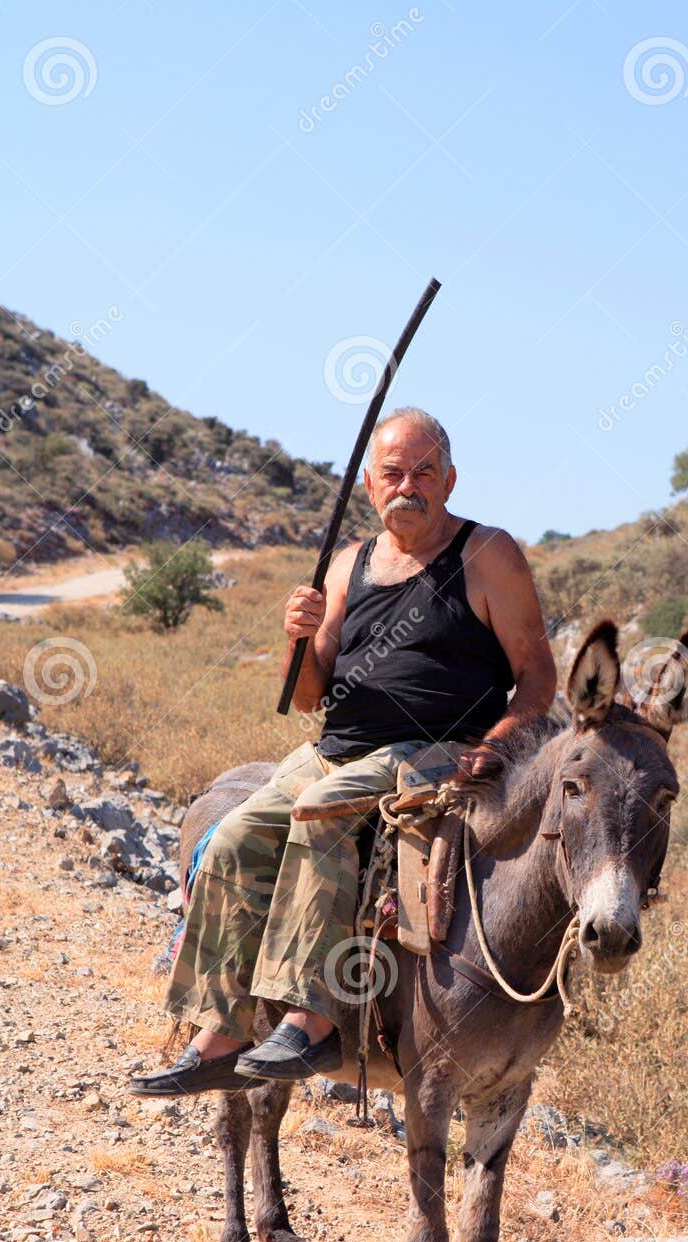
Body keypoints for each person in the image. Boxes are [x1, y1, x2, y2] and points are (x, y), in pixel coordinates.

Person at [131, 407, 556, 1093]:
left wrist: (498, 744)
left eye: (424, 472)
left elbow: (537, 676)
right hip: (337, 745)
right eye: (393, 473)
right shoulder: (347, 565)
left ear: (449, 480)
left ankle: (311, 1023)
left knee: (323, 810)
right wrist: (296, 640)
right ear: (369, 485)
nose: (407, 486)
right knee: (234, 836)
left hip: (436, 747)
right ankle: (225, 1029)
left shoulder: (486, 554)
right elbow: (307, 695)